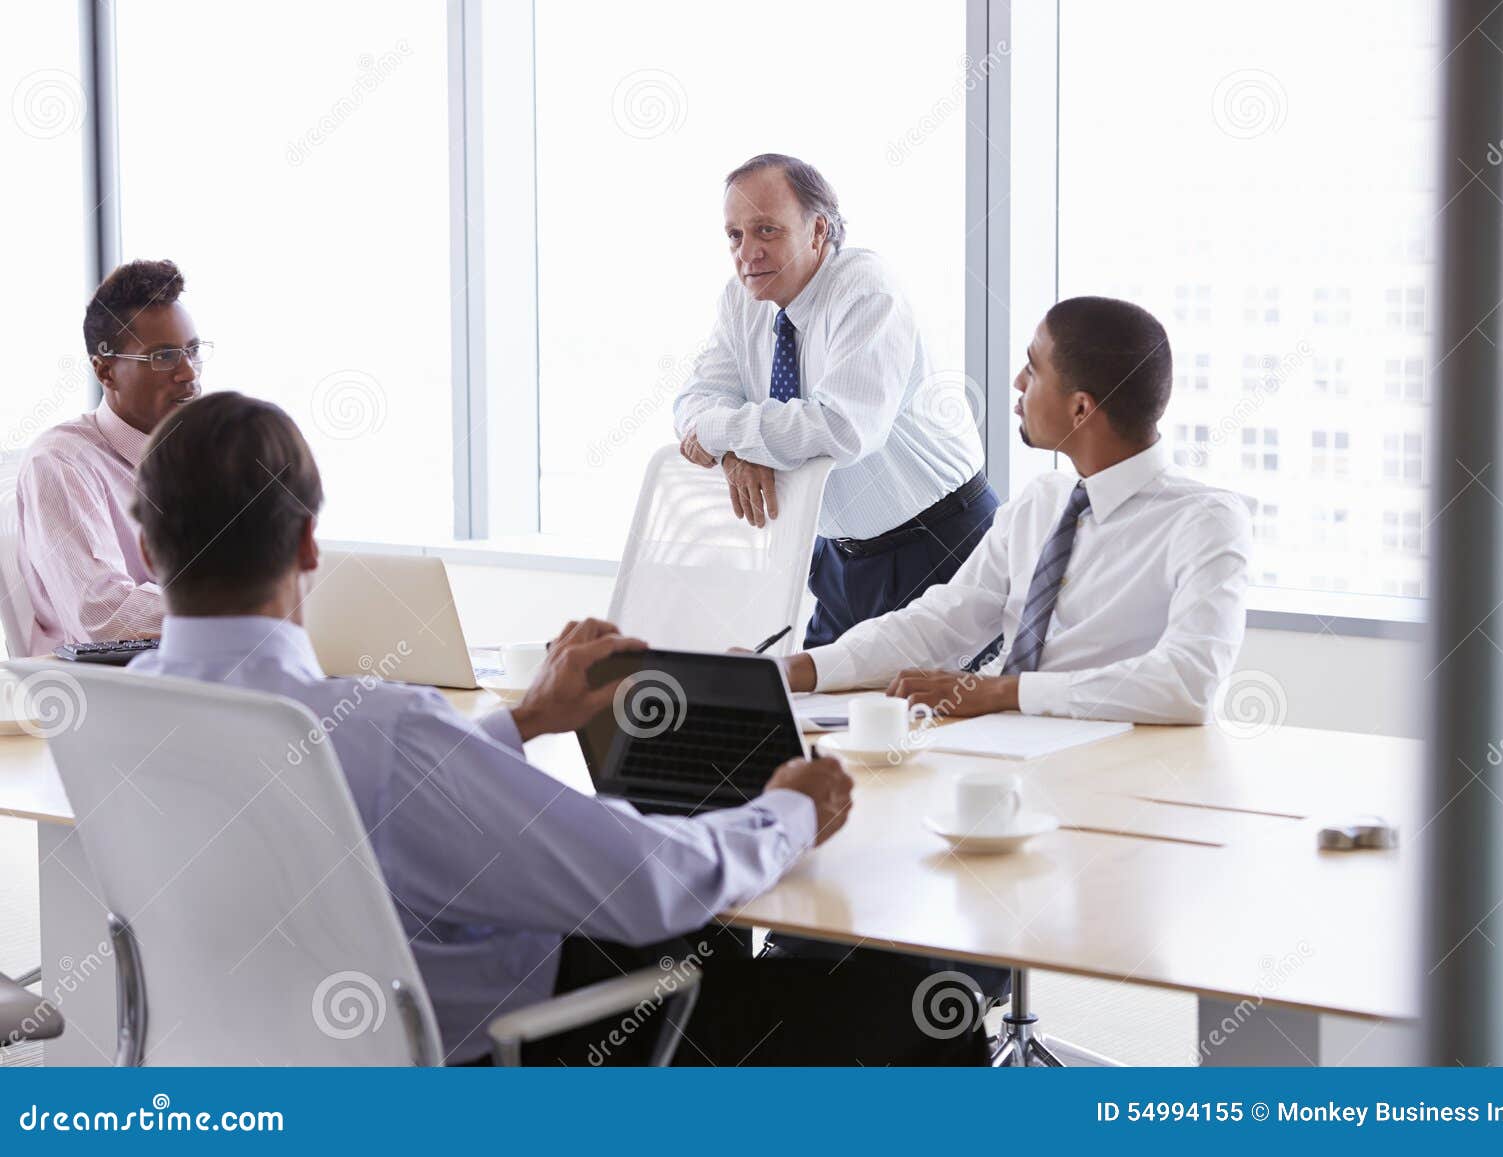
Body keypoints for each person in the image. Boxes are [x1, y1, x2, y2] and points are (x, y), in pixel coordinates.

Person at [127, 391, 987, 1066]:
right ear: (310, 544)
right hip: (505, 1054)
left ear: (149, 546)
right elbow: (653, 881)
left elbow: (373, 798)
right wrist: (791, 810)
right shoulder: (379, 732)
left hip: (262, 1065)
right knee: (926, 999)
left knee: (704, 945)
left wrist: (527, 720)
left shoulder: (132, 707)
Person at [782, 296, 1253, 725]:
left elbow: (1189, 682)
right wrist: (794, 669)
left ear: (1081, 409)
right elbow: (941, 622)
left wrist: (1006, 692)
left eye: (1033, 369)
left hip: (1112, 760)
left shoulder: (1205, 521)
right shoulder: (1040, 501)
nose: (1018, 383)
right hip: (1001, 747)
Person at [674, 153, 997, 647]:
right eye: (734, 235)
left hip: (939, 544)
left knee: (939, 720)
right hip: (839, 558)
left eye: (766, 230)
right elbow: (694, 400)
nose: (747, 253)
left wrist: (720, 433)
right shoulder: (741, 300)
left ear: (818, 231)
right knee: (811, 714)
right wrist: (735, 453)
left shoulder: (865, 288)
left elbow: (842, 429)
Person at [14, 258, 206, 653]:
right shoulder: (60, 462)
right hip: (107, 697)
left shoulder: (199, 455)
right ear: (105, 372)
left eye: (193, 350)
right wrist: (237, 612)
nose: (189, 373)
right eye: (164, 357)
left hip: (199, 673)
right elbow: (104, 617)